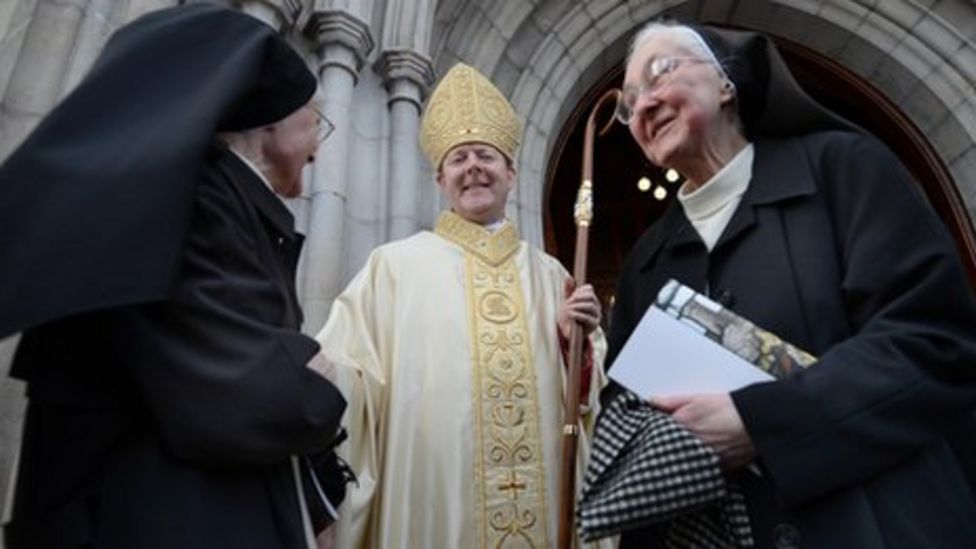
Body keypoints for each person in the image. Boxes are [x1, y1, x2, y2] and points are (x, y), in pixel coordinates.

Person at [604, 21, 976, 548]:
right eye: (630, 101)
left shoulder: (841, 169)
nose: (643, 106)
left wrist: (760, 423)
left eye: (662, 72)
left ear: (727, 83)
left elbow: (933, 341)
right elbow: (629, 412)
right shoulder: (644, 262)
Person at [0, 5, 348, 548]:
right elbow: (237, 391)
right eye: (316, 120)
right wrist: (318, 381)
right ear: (272, 120)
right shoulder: (190, 199)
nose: (320, 147)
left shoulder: (211, 196)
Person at [316, 63, 615, 548]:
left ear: (512, 173)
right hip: (434, 506)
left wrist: (573, 349)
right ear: (440, 179)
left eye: (485, 156)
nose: (472, 166)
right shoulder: (391, 269)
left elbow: (587, 406)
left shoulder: (554, 277)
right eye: (458, 158)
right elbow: (343, 383)